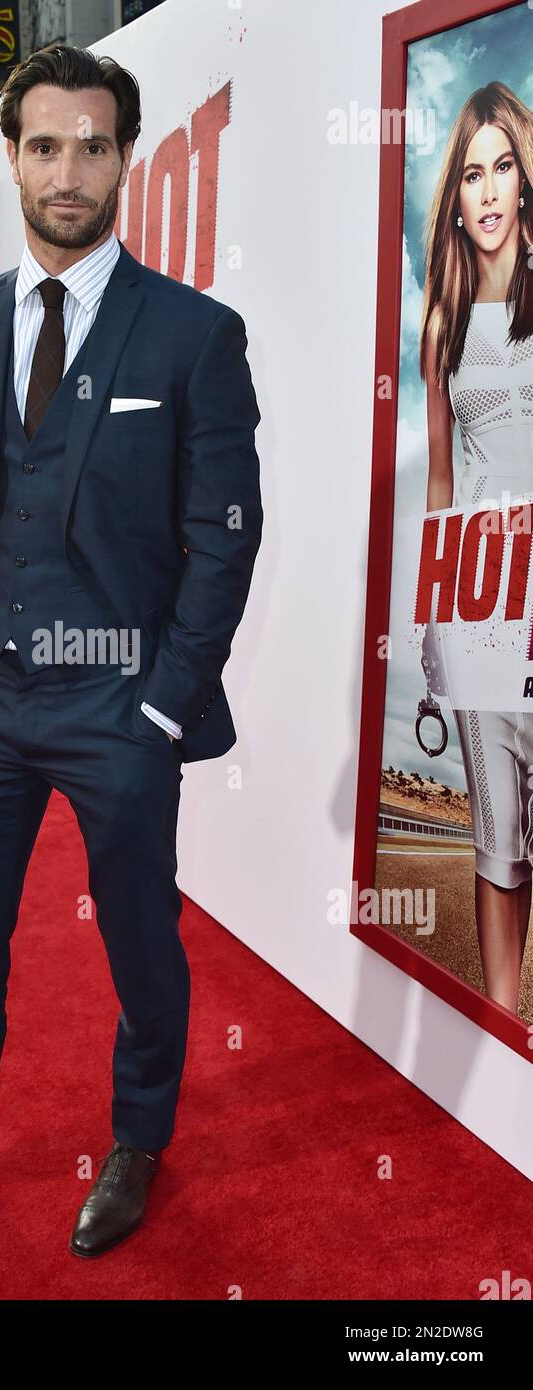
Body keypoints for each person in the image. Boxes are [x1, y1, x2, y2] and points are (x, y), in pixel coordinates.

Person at [0, 42, 263, 1258]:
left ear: (125, 156)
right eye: (44, 144)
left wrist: (167, 705)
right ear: (11, 157)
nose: (68, 170)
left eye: (93, 143)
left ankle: (137, 1141)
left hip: (119, 702)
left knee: (139, 943)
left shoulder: (193, 335)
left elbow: (225, 535)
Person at [420, 81, 533, 1015]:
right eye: (471, 173)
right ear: (454, 198)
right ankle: (502, 1035)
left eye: (503, 168)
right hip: (481, 604)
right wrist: (431, 620)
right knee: (497, 837)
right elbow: (443, 487)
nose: (489, 190)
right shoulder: (444, 328)